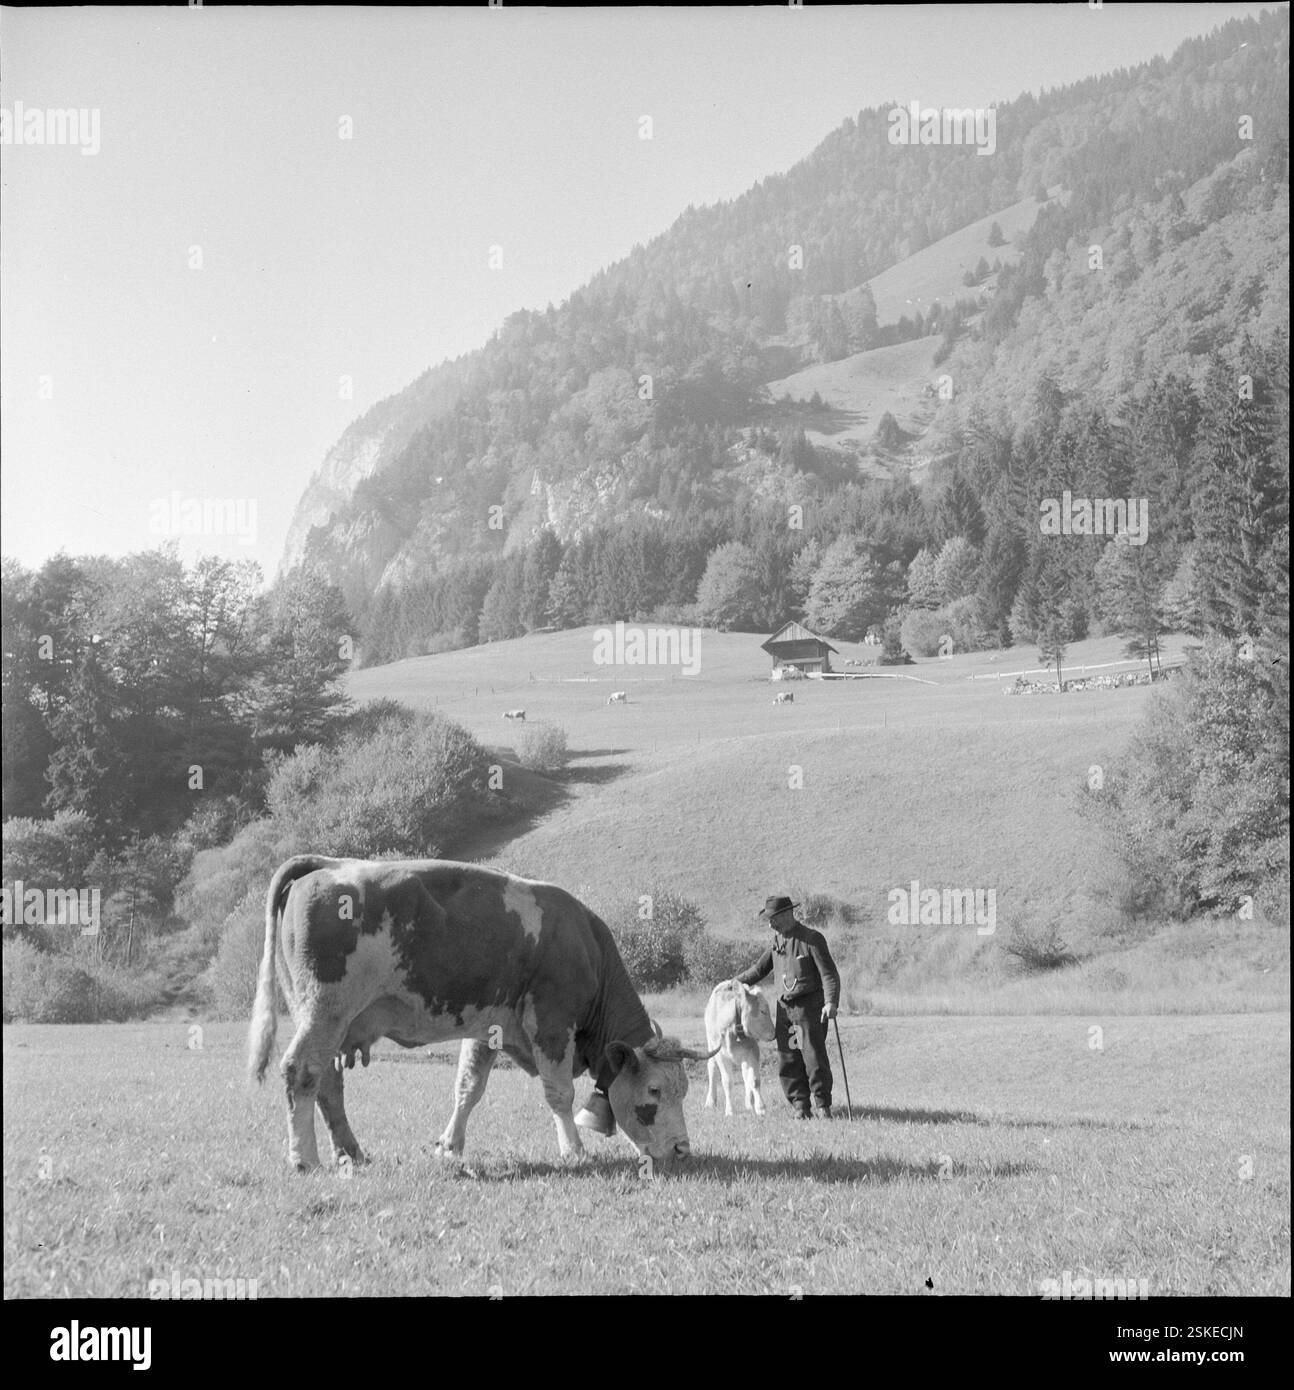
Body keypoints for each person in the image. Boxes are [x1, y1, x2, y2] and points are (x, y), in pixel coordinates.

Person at [735, 895, 840, 1119]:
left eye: (772, 919)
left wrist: (830, 1002)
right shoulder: (776, 943)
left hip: (808, 1009)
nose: (770, 924)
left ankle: (823, 1106)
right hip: (785, 1011)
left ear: (786, 914)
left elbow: (829, 974)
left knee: (812, 1057)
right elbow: (757, 971)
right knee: (789, 1059)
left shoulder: (812, 939)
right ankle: (800, 1106)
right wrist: (731, 984)